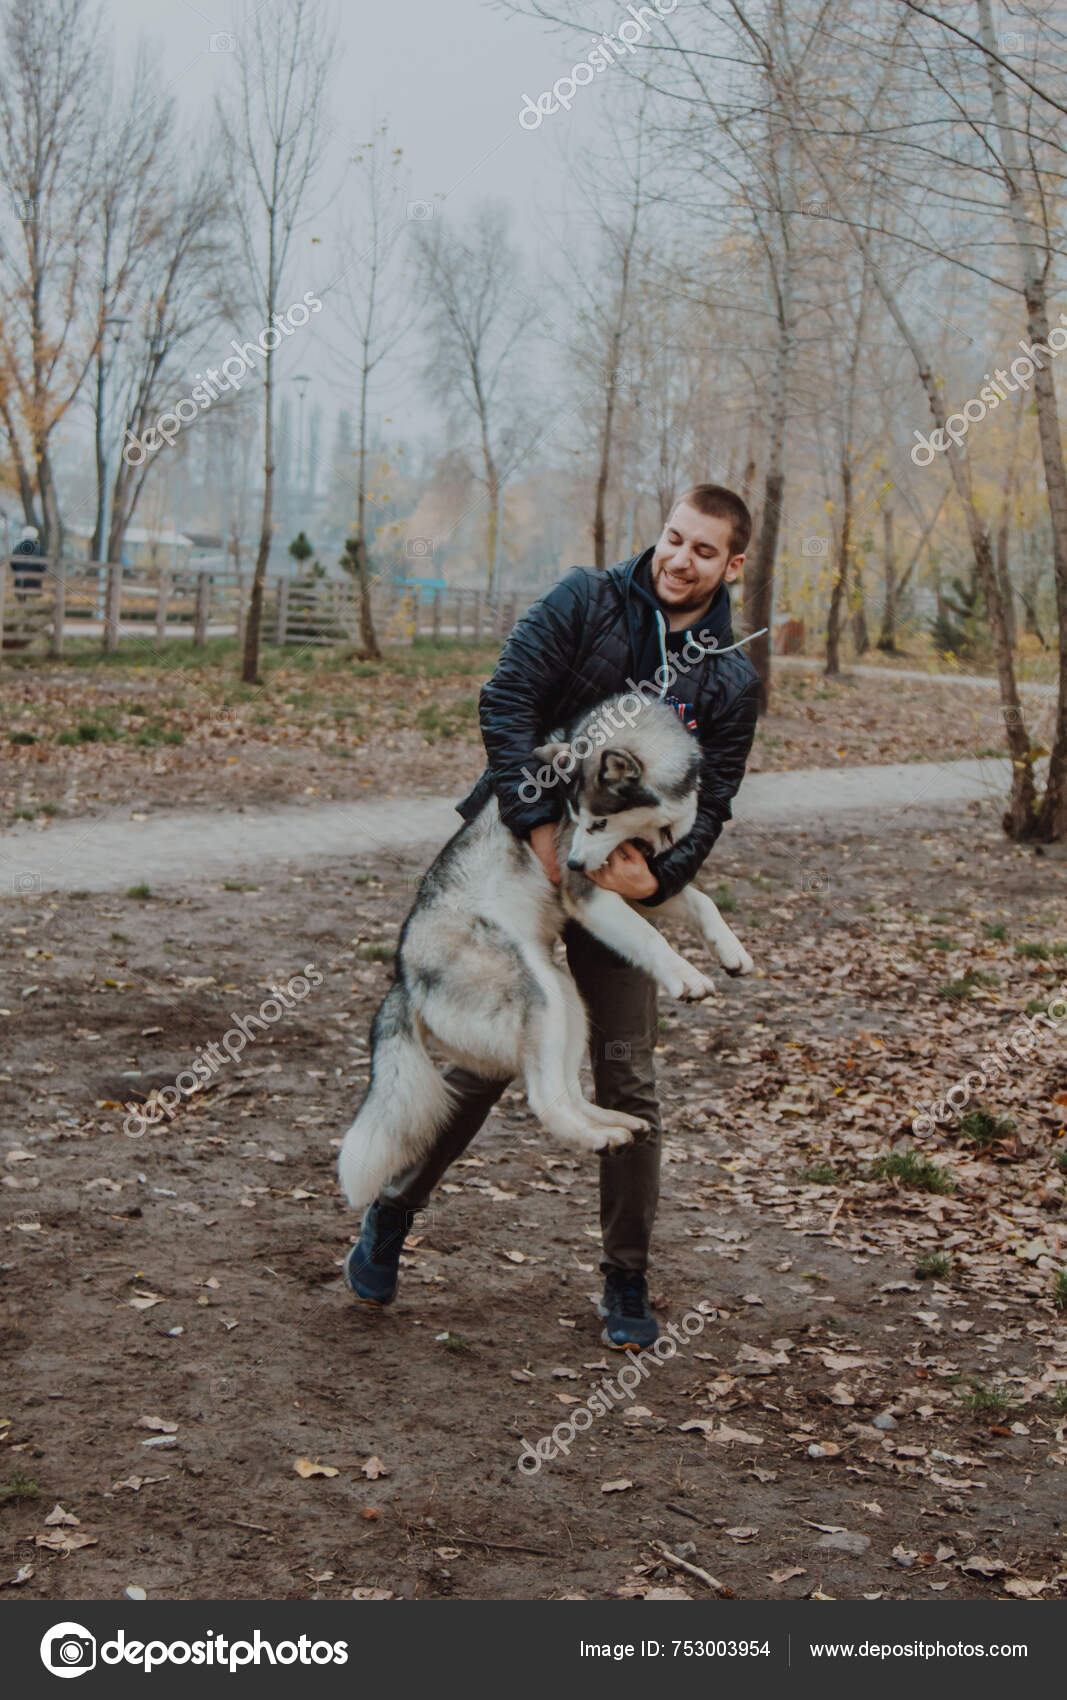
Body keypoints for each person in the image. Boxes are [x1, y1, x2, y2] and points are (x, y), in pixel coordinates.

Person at [345, 483, 760, 1348]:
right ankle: (391, 1215)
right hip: (514, 862)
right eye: (674, 539)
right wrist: (540, 831)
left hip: (620, 889)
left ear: (733, 565)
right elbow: (505, 703)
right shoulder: (586, 598)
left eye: (704, 550)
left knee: (627, 1073)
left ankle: (626, 1280)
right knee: (485, 1065)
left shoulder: (729, 677)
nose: (681, 559)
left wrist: (660, 879)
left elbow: (712, 802)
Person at [11, 524, 43, 596]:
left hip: (20, 580)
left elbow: (13, 563)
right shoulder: (39, 548)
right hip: (35, 581)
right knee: (34, 599)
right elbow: (43, 565)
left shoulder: (17, 547)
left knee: (21, 598)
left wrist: (16, 571)